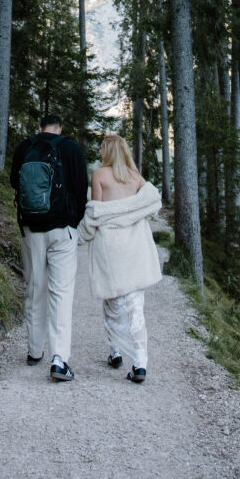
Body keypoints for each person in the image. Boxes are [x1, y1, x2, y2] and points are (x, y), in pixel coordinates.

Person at [10, 113, 88, 382]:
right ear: (60, 128)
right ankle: (59, 359)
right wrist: (73, 222)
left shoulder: (25, 147)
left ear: (40, 128)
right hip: (62, 229)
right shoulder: (71, 148)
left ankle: (34, 351)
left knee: (35, 287)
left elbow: (14, 182)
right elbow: (81, 189)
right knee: (61, 292)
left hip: (32, 230)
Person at [78, 134, 162, 384]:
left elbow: (95, 213)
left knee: (112, 303)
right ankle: (140, 363)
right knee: (136, 306)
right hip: (135, 247)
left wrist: (80, 236)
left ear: (111, 150)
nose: (99, 150)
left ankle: (115, 352)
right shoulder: (136, 177)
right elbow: (149, 204)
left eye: (103, 147)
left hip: (111, 248)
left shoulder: (99, 175)